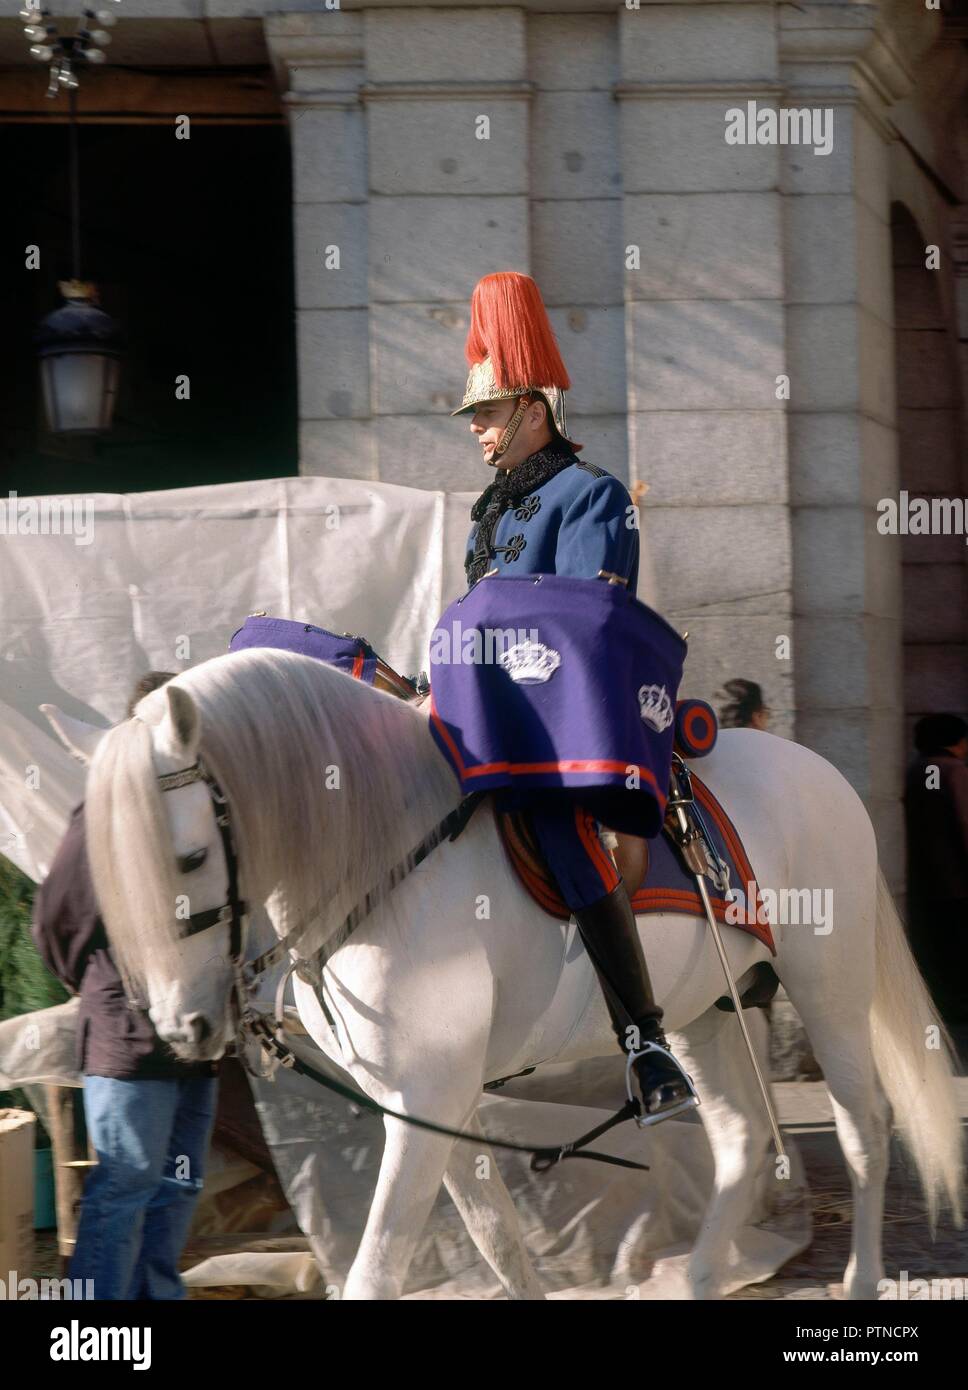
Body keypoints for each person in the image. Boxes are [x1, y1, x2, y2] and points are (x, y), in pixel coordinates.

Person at [451, 270, 693, 1120]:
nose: (475, 430)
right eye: (474, 417)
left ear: (530, 408)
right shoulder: (488, 512)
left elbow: (593, 619)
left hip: (564, 727)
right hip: (488, 721)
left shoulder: (593, 496)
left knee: (556, 829)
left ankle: (647, 1040)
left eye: (485, 413)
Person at [32, 671, 220, 1300]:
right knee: (124, 1190)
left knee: (178, 1187)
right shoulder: (107, 810)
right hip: (130, 1039)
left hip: (197, 1039)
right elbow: (57, 922)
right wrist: (109, 992)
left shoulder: (195, 803)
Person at [904, 712, 968, 1024]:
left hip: (926, 886)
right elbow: (963, 822)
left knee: (936, 956)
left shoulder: (918, 770)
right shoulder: (953, 770)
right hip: (957, 886)